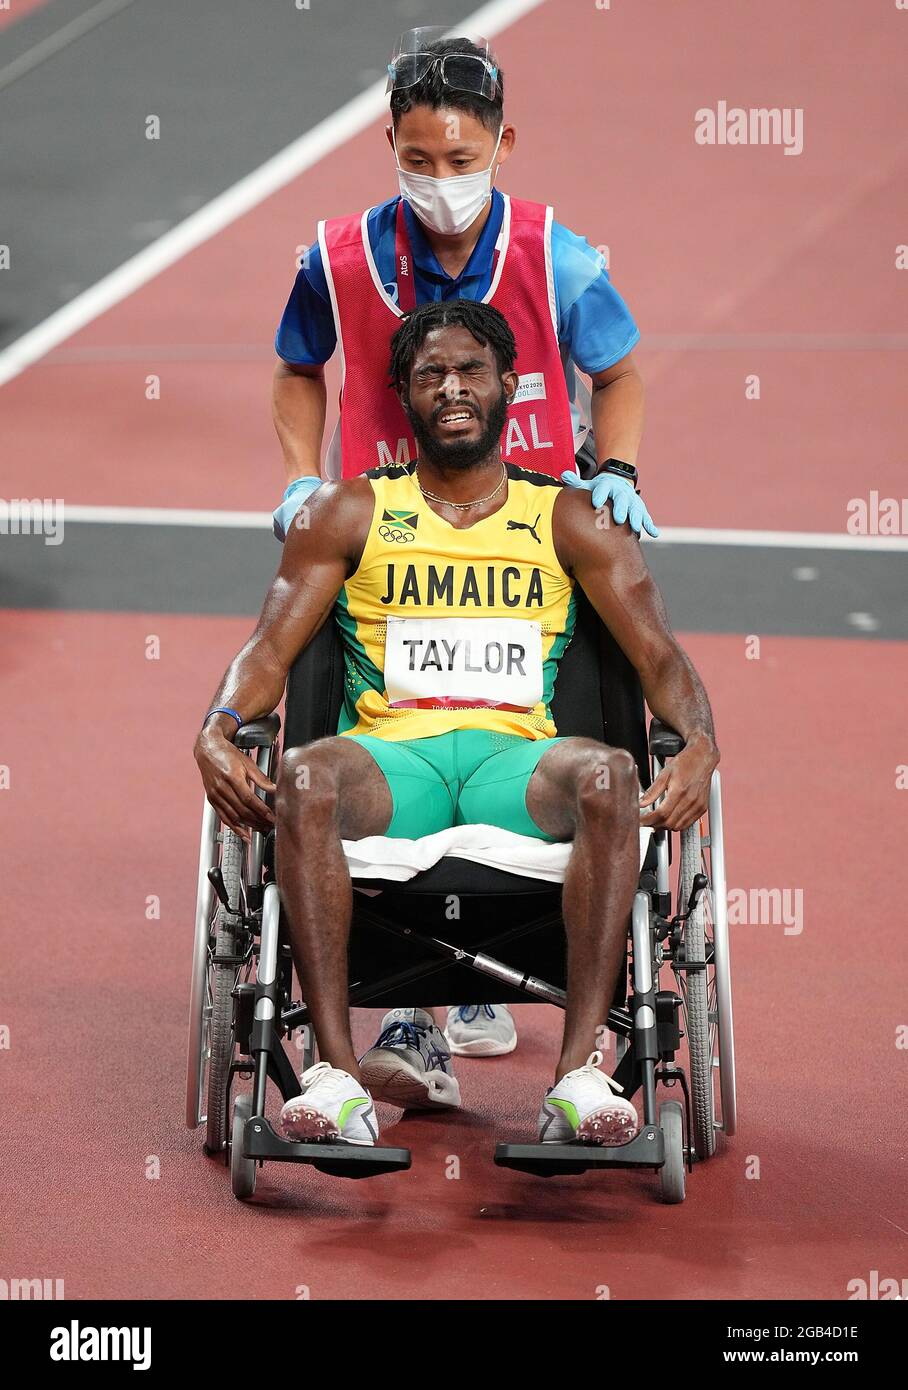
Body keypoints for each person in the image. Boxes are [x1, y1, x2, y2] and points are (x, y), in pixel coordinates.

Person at [195, 301, 718, 1148]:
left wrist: (701, 743)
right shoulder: (349, 511)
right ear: (402, 392)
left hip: (514, 761)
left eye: (471, 370)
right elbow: (267, 651)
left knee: (610, 773)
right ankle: (336, 1080)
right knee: (304, 773)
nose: (452, 389)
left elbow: (660, 658)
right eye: (430, 373)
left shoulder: (570, 519)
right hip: (394, 764)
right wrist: (217, 727)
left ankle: (578, 1077)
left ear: (510, 385)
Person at [271, 27, 656, 1053]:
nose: (439, 182)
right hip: (383, 541)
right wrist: (304, 475)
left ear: (502, 144)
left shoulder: (552, 255)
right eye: (416, 160)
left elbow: (616, 371)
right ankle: (404, 997)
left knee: (541, 711)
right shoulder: (340, 254)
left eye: (460, 160)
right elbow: (295, 363)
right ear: (387, 143)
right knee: (380, 715)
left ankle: (500, 968)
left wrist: (610, 475)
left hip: (524, 528)